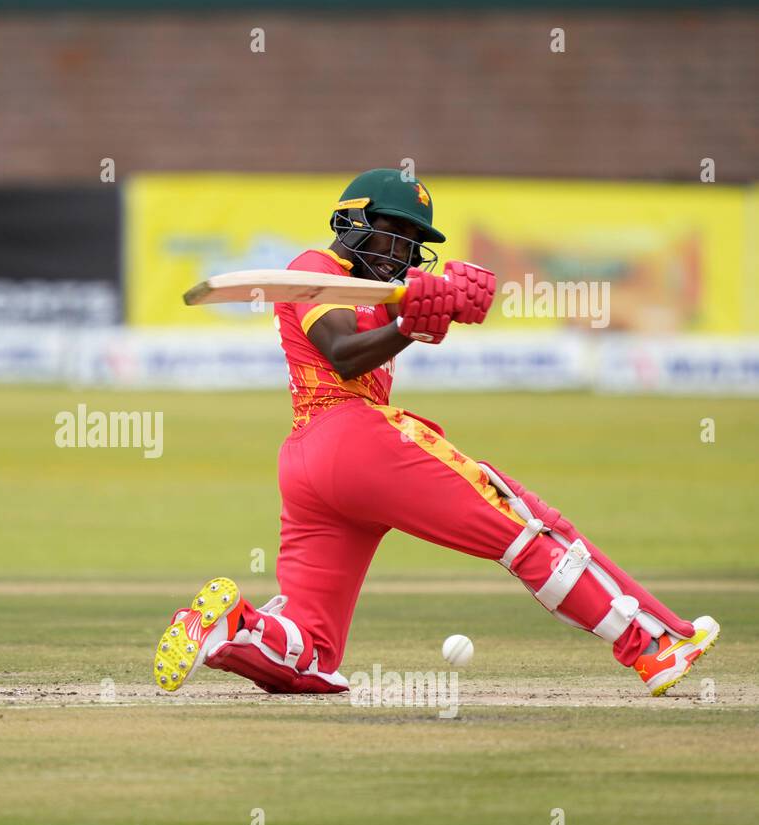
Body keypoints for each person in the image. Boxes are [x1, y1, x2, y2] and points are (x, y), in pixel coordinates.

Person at [153, 168, 719, 698]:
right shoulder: (315, 269)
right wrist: (412, 324)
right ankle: (652, 643)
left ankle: (232, 627)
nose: (402, 250)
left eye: (412, 239)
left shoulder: (374, 289)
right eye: (392, 232)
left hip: (312, 468)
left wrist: (437, 308)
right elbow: (343, 355)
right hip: (353, 439)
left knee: (314, 654)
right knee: (526, 528)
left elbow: (384, 331)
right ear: (352, 222)